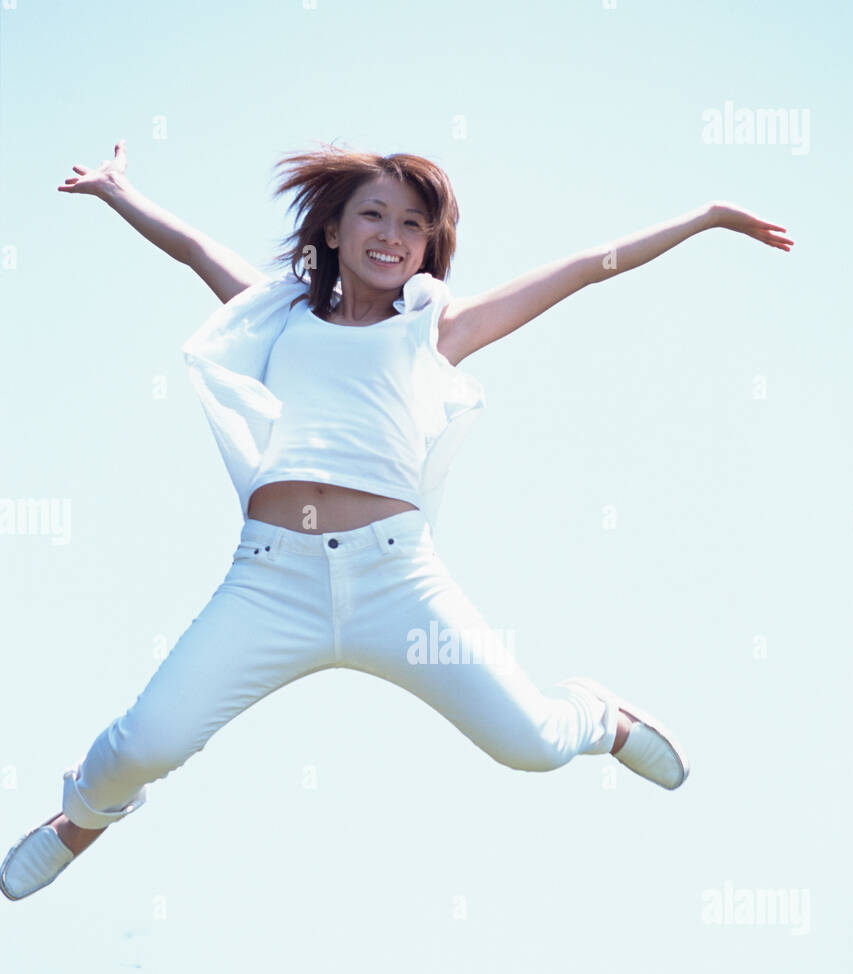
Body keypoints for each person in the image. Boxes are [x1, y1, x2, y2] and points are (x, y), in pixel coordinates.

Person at [0, 138, 793, 901]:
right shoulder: (273, 317)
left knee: (533, 747)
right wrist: (119, 192)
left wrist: (704, 217)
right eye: (374, 216)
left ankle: (599, 718)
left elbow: (586, 270)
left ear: (429, 248)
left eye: (414, 224)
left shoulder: (433, 331)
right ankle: (83, 821)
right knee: (143, 746)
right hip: (272, 583)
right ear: (335, 231)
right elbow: (192, 248)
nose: (393, 235)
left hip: (396, 581)